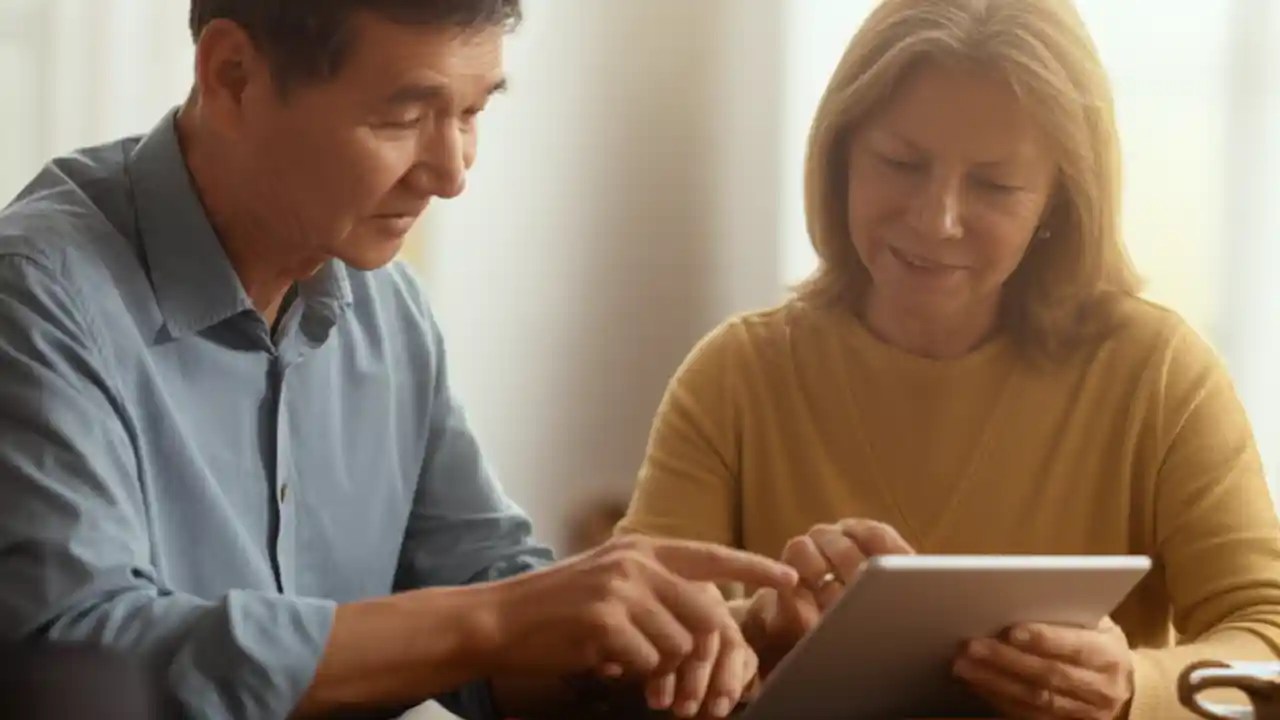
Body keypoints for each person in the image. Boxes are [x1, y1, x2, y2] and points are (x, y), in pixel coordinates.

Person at [0, 2, 800, 719]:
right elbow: (72, 668)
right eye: (403, 116)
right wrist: (494, 622)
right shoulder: (37, 293)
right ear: (234, 76)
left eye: (474, 113)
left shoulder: (390, 312)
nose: (451, 175)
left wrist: (716, 645)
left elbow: (506, 630)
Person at [618, 0, 1280, 717]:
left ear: (1059, 198)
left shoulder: (1157, 374)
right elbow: (618, 647)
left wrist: (1134, 692)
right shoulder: (737, 377)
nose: (937, 219)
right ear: (840, 156)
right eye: (901, 164)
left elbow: (1269, 641)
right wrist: (762, 633)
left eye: (994, 186)